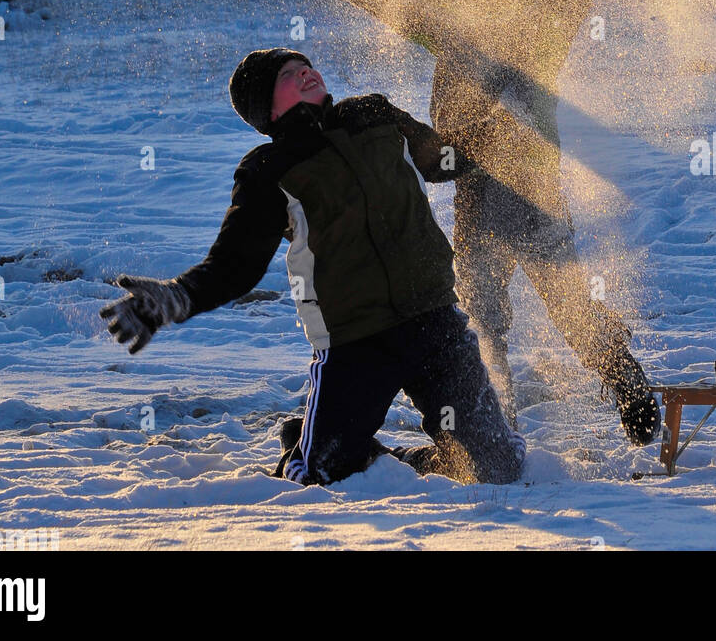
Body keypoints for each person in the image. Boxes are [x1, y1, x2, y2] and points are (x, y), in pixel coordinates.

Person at [277, 0, 662, 445]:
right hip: (479, 193)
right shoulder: (461, 28)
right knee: (482, 312)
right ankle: (490, 420)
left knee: (560, 306)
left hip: (533, 194)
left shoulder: (543, 24)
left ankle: (621, 384)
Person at [100, 49, 526, 487]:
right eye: (288, 73)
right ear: (266, 105)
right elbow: (235, 264)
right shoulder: (268, 170)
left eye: (306, 65)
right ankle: (302, 440)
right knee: (319, 475)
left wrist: (491, 141)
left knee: (501, 465)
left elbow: (442, 159)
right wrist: (177, 297)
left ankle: (405, 463)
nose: (305, 72)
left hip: (436, 324)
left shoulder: (373, 115)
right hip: (356, 344)